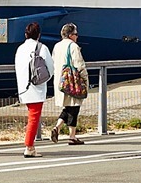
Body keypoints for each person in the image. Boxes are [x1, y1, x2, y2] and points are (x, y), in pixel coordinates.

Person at [14, 20, 53, 156]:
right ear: (39, 35)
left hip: (23, 87)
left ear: (25, 34)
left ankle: (30, 145)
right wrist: (43, 80)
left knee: (32, 116)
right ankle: (29, 147)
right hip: (36, 87)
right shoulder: (42, 48)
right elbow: (50, 69)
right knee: (34, 117)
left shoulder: (20, 49)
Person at [49, 22, 89, 145]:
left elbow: (53, 62)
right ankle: (72, 136)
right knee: (74, 107)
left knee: (67, 107)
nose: (77, 37)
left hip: (60, 81)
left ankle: (57, 127)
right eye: (76, 34)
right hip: (72, 81)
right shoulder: (73, 46)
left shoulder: (57, 46)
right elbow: (79, 64)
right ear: (71, 35)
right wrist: (85, 78)